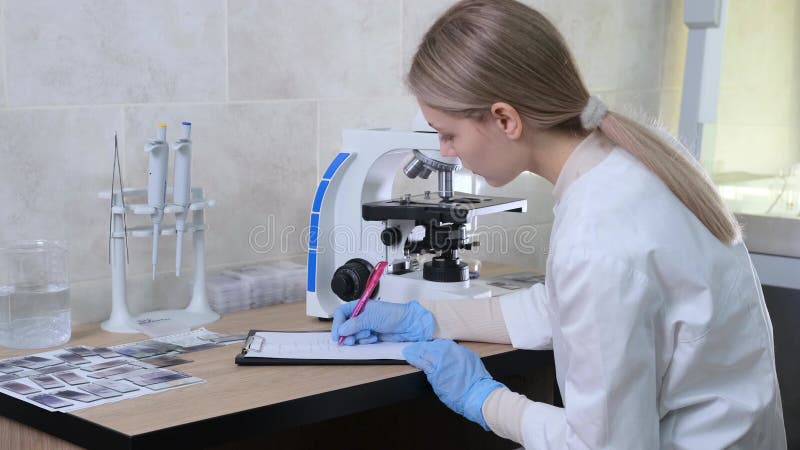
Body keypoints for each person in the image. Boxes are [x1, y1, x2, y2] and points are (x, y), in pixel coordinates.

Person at [330, 0, 787, 448]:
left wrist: (484, 399)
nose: (445, 151)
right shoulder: (629, 160)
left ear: (505, 119)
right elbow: (567, 308)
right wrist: (428, 319)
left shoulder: (595, 237)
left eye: (449, 134)